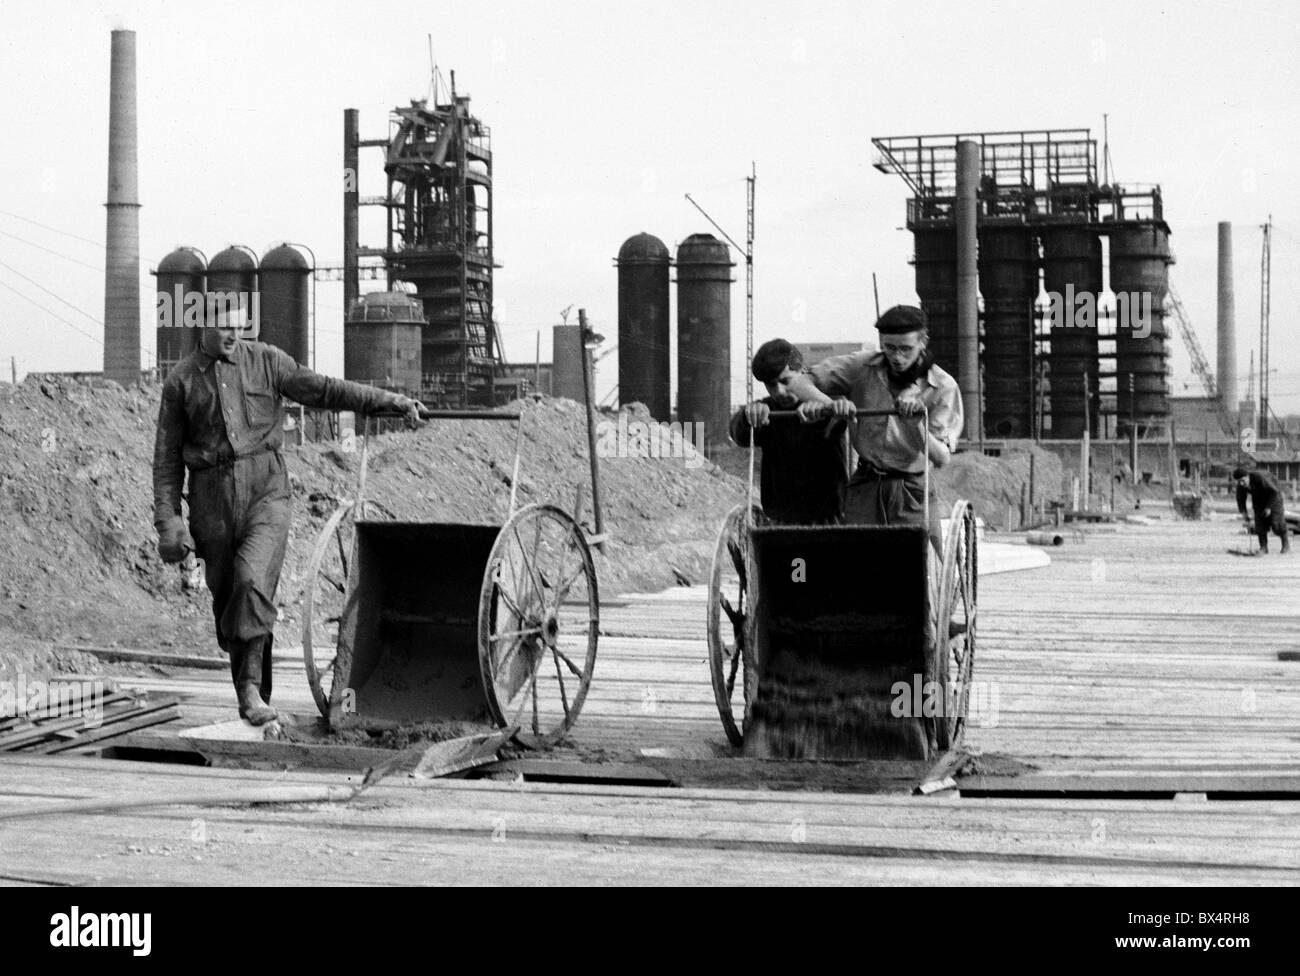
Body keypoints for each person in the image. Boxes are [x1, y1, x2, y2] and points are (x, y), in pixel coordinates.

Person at [152, 305, 423, 725]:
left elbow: (326, 390)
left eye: (237, 324)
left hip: (267, 493)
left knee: (250, 581)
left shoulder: (267, 361)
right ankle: (257, 689)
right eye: (223, 326)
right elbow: (167, 461)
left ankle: (248, 694)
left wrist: (389, 401)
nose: (232, 333)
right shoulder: (180, 381)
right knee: (229, 601)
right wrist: (169, 522)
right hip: (210, 504)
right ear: (201, 326)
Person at [785, 305, 963, 550]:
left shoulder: (943, 386)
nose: (897, 357)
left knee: (914, 570)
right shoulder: (862, 367)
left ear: (923, 342)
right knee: (859, 567)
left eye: (905, 349)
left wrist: (915, 425)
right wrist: (831, 404)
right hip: (866, 485)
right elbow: (799, 382)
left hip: (911, 490)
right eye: (889, 348)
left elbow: (942, 457)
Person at [728, 339, 847, 524]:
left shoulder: (826, 403)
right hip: (782, 518)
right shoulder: (766, 410)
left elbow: (837, 423)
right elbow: (739, 435)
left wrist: (823, 413)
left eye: (785, 381)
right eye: (771, 385)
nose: (779, 391)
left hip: (828, 516)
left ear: (803, 372)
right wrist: (747, 416)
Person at [1233, 466, 1290, 554]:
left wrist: (1268, 507)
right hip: (1258, 500)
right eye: (1239, 481)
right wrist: (1244, 513)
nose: (1241, 483)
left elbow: (1274, 492)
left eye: (1243, 480)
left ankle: (1285, 544)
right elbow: (1240, 499)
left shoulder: (1260, 478)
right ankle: (1263, 547)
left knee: (1276, 523)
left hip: (1274, 498)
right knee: (1260, 524)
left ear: (1248, 476)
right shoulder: (1241, 485)